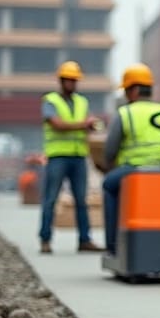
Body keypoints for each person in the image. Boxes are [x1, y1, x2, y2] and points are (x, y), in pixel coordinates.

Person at [100, 64, 160, 258]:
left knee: (109, 185)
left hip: (135, 169)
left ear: (134, 90)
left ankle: (113, 246)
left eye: (127, 91)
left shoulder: (125, 113)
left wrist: (108, 166)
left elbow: (110, 149)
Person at [39, 60, 104, 254]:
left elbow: (88, 124)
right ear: (62, 81)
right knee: (50, 198)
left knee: (81, 200)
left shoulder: (82, 102)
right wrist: (84, 124)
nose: (72, 84)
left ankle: (84, 239)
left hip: (78, 156)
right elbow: (56, 124)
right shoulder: (50, 101)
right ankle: (45, 239)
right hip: (58, 156)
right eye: (69, 80)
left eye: (75, 80)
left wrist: (92, 125)